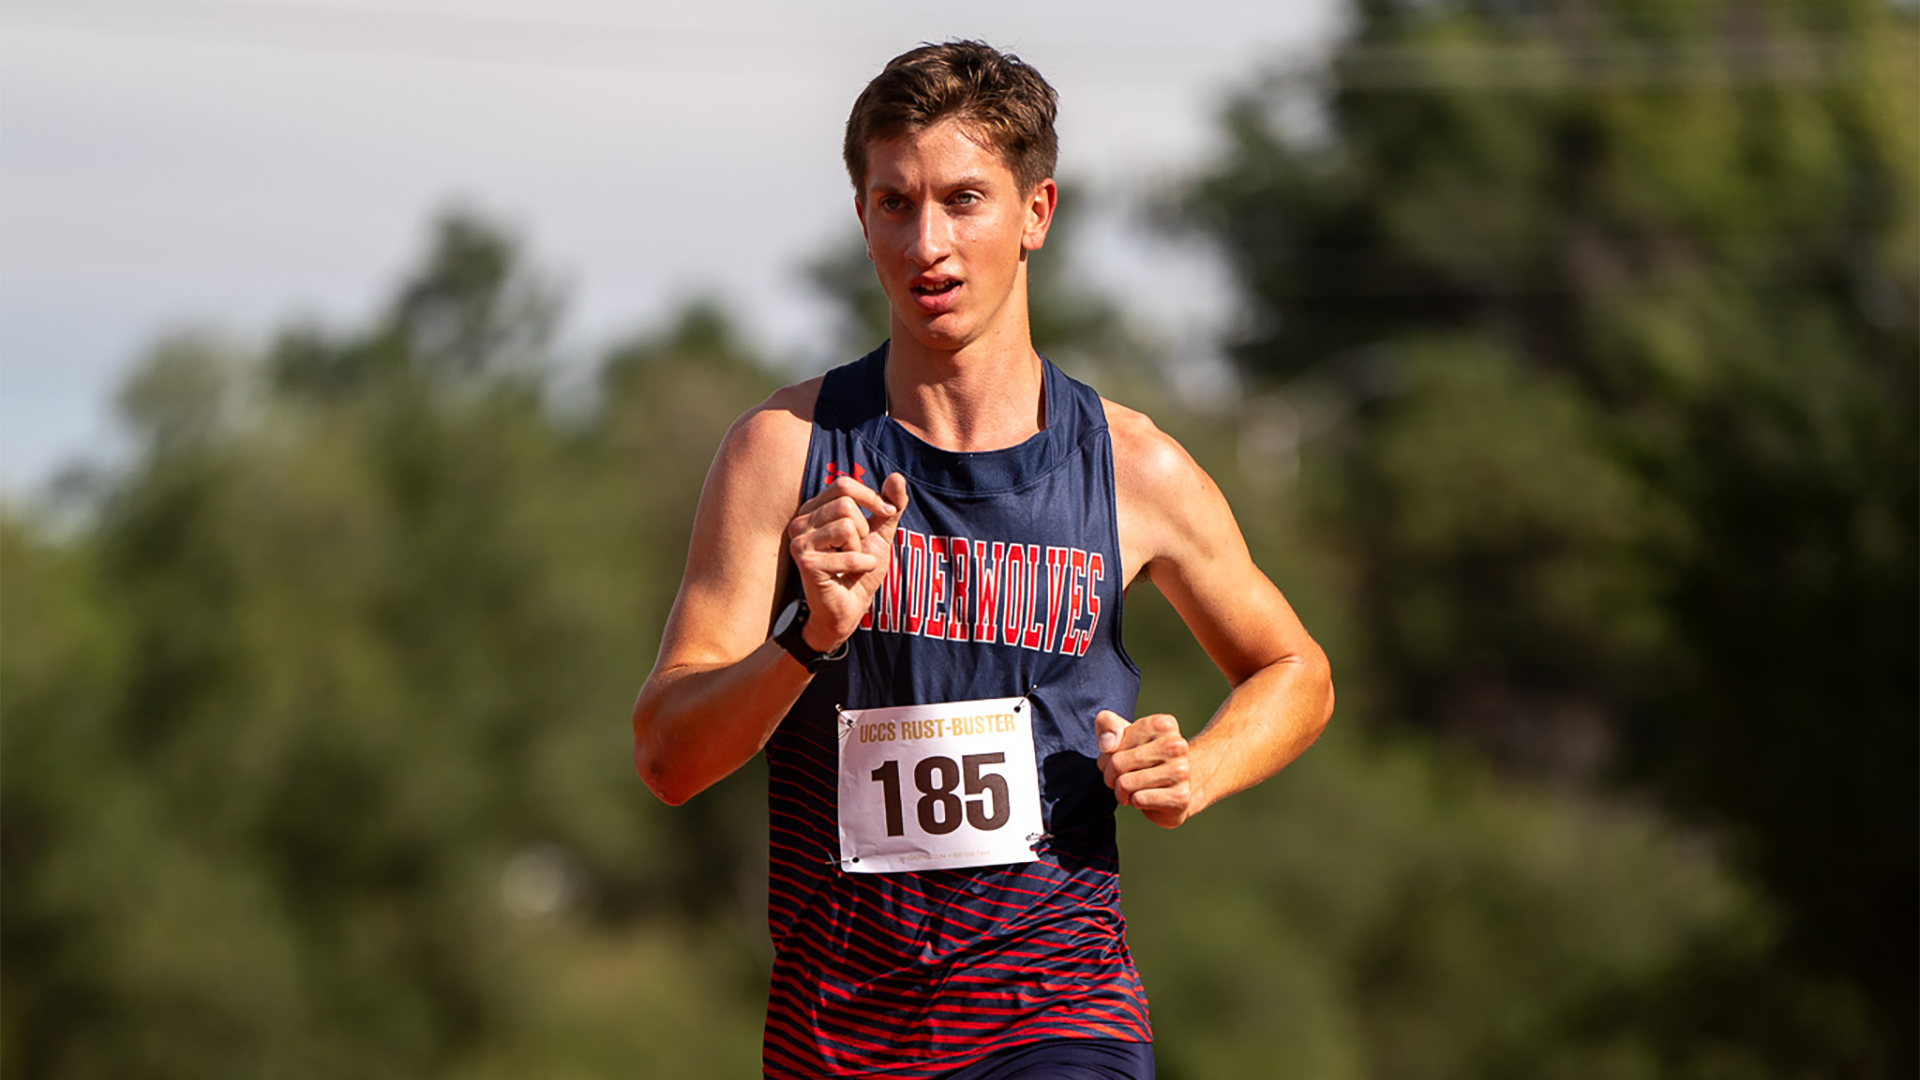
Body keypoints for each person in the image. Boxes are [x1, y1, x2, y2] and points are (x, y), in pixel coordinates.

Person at [631, 39, 1333, 1080]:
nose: (928, 242)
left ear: (1036, 213)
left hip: (1060, 1013)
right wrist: (807, 636)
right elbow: (668, 758)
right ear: (862, 216)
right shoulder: (783, 454)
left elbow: (1296, 672)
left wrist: (1200, 767)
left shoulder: (1130, 467)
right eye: (893, 203)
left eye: (964, 200)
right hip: (840, 1034)